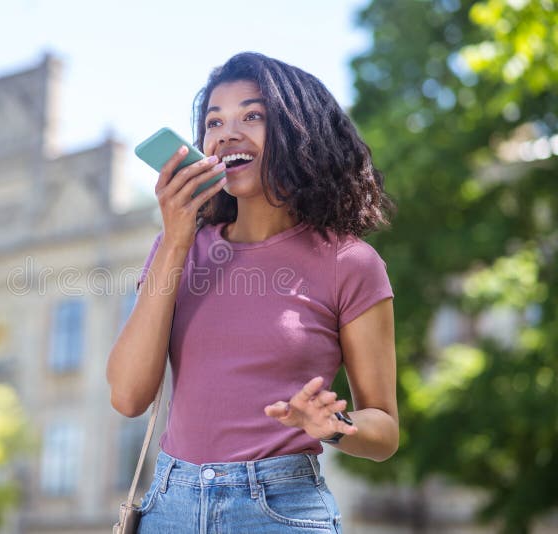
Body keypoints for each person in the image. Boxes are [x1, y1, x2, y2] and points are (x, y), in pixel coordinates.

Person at [106, 52, 398, 533]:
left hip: (281, 509)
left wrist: (334, 428)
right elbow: (128, 396)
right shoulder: (177, 248)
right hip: (169, 507)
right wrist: (177, 238)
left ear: (300, 131)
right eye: (214, 121)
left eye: (252, 116)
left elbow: (384, 429)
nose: (226, 132)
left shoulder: (350, 263)